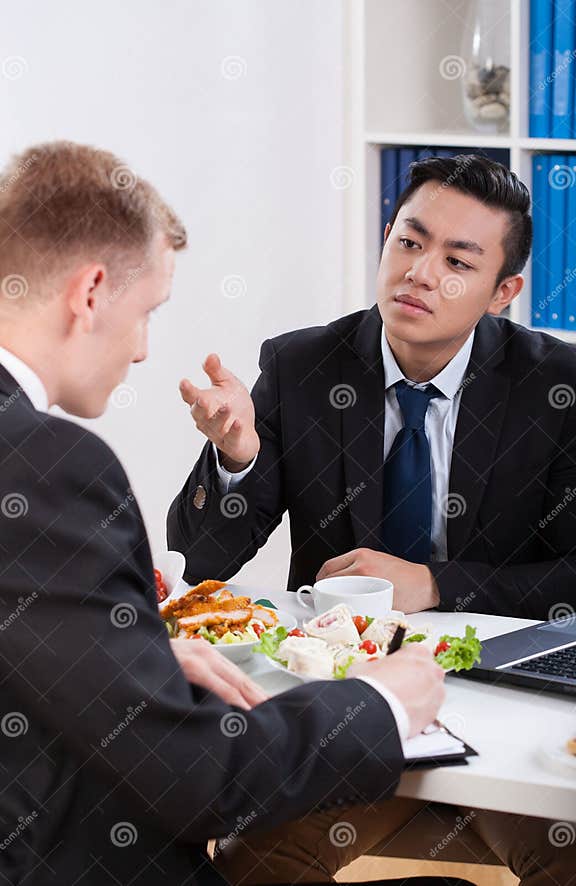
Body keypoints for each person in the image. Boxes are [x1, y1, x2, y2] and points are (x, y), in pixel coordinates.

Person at [0, 140, 448, 886]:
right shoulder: (47, 463)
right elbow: (198, 778)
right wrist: (378, 703)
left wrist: (119, 662)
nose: (143, 351)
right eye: (147, 313)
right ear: (90, 292)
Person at [168, 154, 576, 884]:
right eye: (409, 242)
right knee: (246, 864)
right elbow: (200, 561)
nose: (420, 272)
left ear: (503, 292)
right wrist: (237, 457)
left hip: (508, 714)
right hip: (347, 708)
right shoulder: (302, 366)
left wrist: (437, 584)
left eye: (458, 261)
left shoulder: (557, 385)